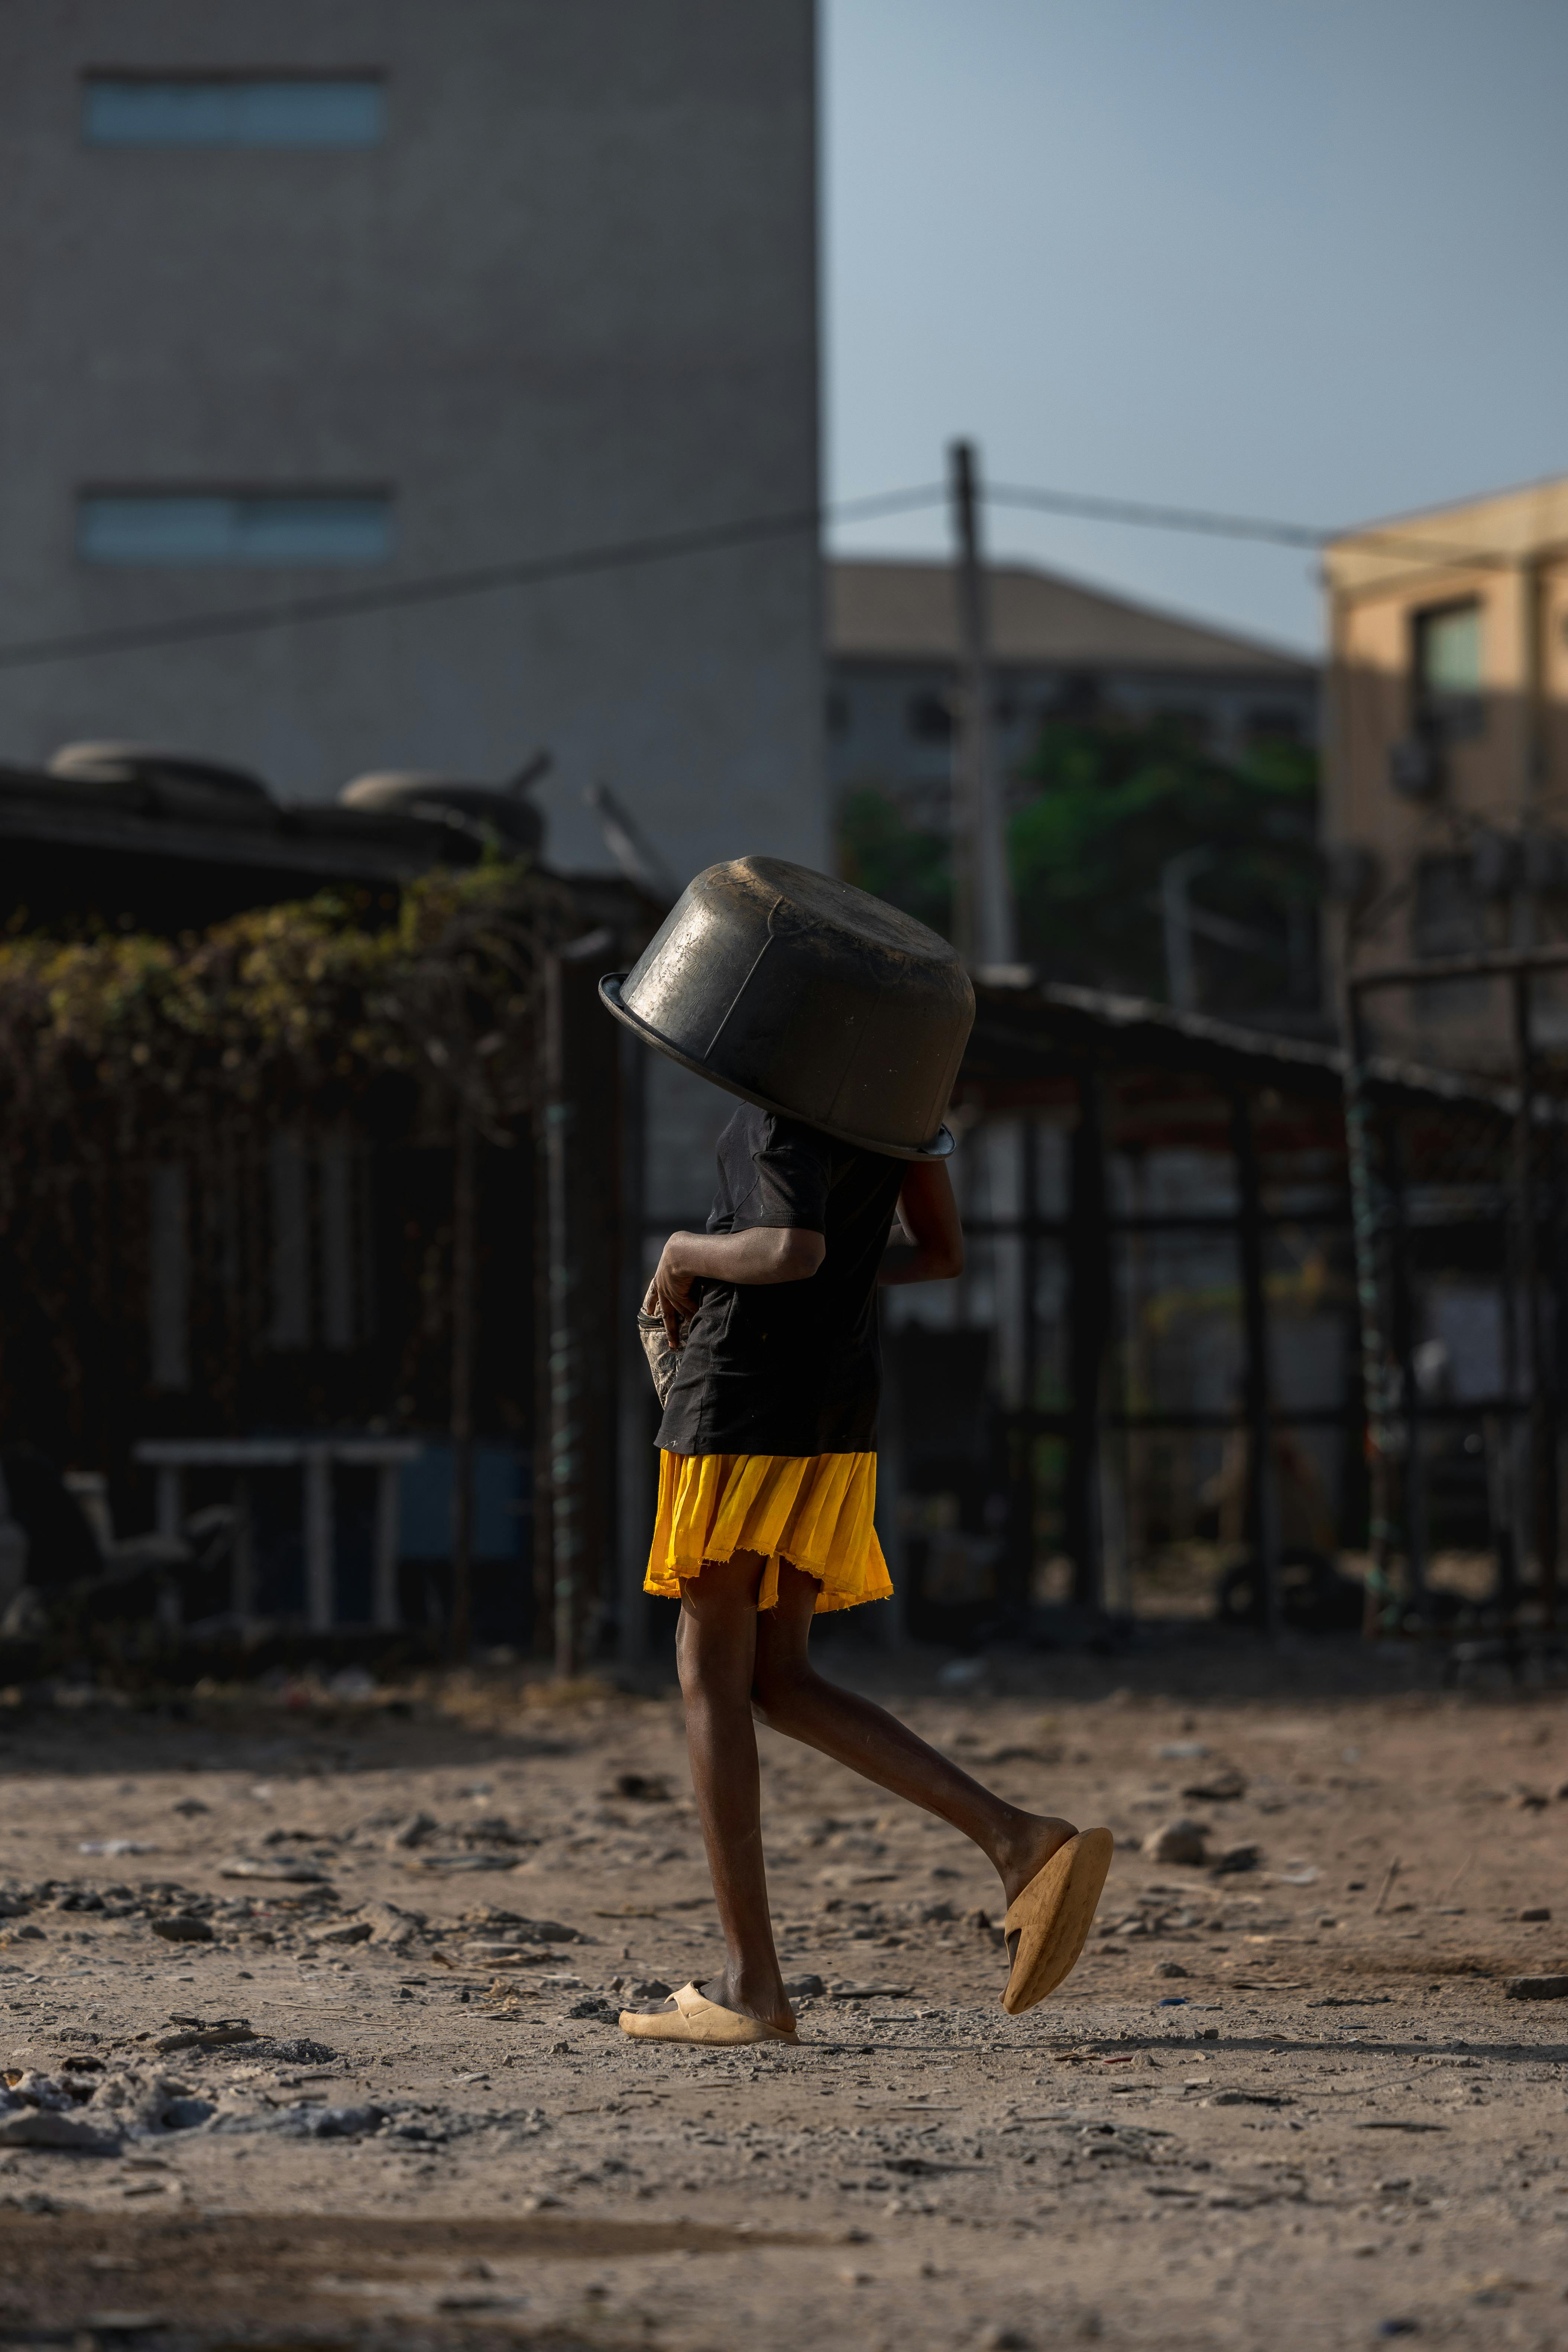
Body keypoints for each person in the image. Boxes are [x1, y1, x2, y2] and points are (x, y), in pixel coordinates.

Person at [620, 1097, 1111, 2046]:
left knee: (709, 1678)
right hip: (833, 1409)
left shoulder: (784, 1107)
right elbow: (938, 1254)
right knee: (780, 1677)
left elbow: (790, 1251)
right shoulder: (893, 1104)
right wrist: (834, 1268)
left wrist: (683, 1251)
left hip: (743, 1397)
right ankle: (1016, 1841)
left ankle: (752, 1989)